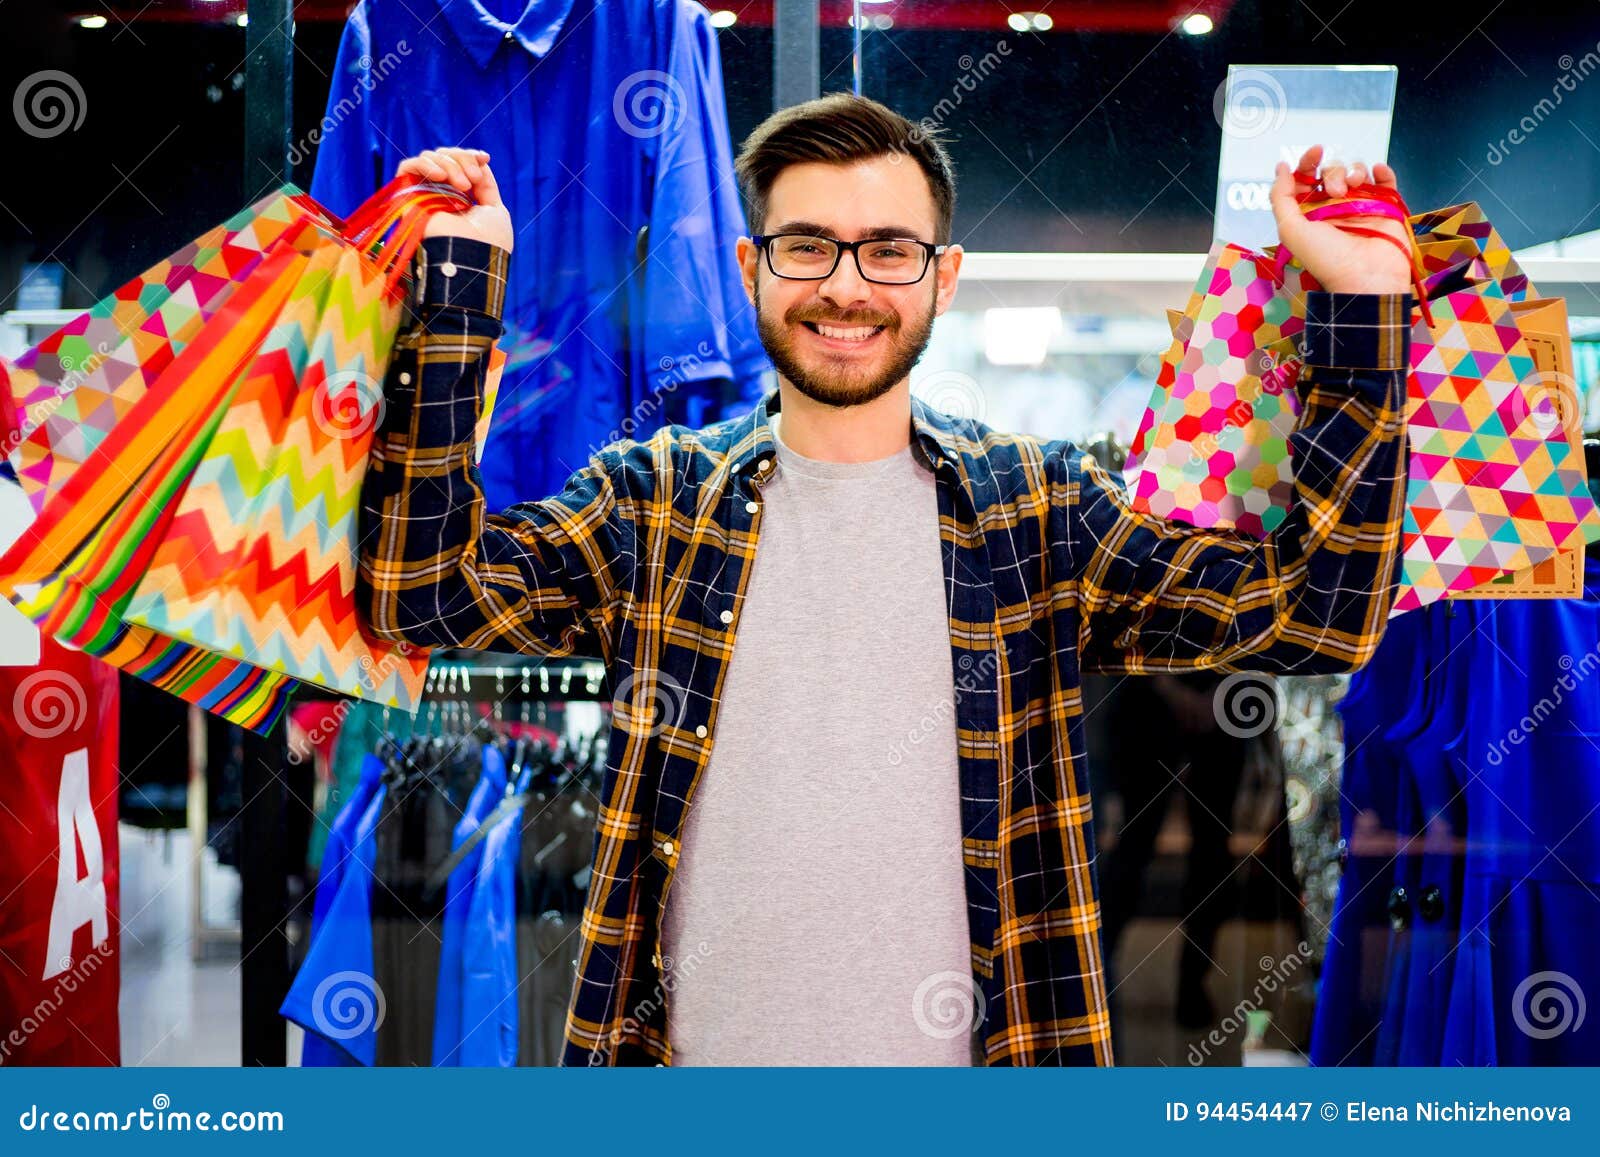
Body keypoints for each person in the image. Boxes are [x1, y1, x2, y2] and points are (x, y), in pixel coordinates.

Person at [357, 92, 1413, 1067]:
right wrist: (457, 293)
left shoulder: (1035, 512)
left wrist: (1362, 308)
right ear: (749, 265)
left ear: (943, 276)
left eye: (888, 250)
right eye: (807, 245)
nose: (847, 285)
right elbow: (423, 592)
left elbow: (1313, 617)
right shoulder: (655, 503)